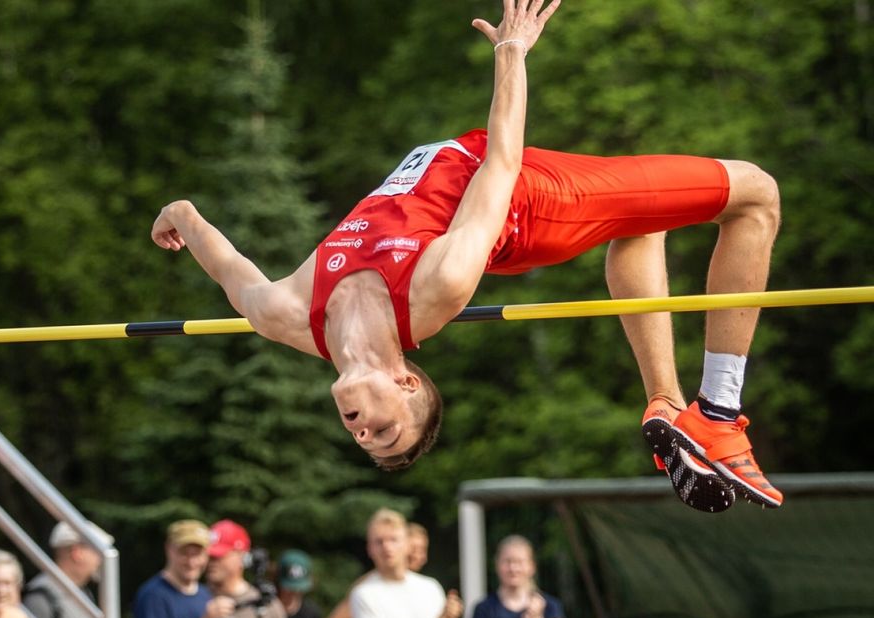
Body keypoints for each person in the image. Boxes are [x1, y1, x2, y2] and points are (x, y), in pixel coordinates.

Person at [149, 0, 781, 512]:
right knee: (755, 194)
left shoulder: (286, 314)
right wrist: (512, 52)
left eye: (363, 440)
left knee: (644, 221)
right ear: (405, 382)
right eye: (384, 431)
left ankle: (666, 404)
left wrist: (181, 215)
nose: (361, 432)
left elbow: (226, 265)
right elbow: (501, 165)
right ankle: (719, 412)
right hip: (531, 202)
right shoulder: (436, 291)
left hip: (481, 177)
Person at [348, 509, 455, 618]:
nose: (386, 547)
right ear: (369, 548)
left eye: (393, 539)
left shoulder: (431, 587)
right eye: (379, 541)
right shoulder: (364, 593)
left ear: (407, 544)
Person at [321, 521, 431, 618]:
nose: (420, 557)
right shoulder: (368, 587)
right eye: (415, 549)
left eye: (423, 550)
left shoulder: (427, 587)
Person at [134, 519, 235, 618]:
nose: (191, 562)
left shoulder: (205, 595)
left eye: (197, 553)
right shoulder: (153, 596)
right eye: (184, 553)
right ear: (168, 549)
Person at [22, 521, 111, 618]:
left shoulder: (83, 592)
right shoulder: (41, 597)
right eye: (97, 552)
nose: (100, 560)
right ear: (77, 553)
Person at [204, 520, 291, 618]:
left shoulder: (265, 604)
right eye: (210, 556)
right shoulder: (197, 598)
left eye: (219, 556)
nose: (212, 562)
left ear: (243, 557)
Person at [467, 536, 563, 618]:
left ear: (532, 566)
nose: (513, 568)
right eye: (507, 561)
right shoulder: (484, 609)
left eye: (520, 562)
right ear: (497, 565)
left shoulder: (550, 606)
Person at [276, 550, 322, 618]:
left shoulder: (311, 612)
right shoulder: (266, 609)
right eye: (289, 588)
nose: (294, 592)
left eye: (298, 588)